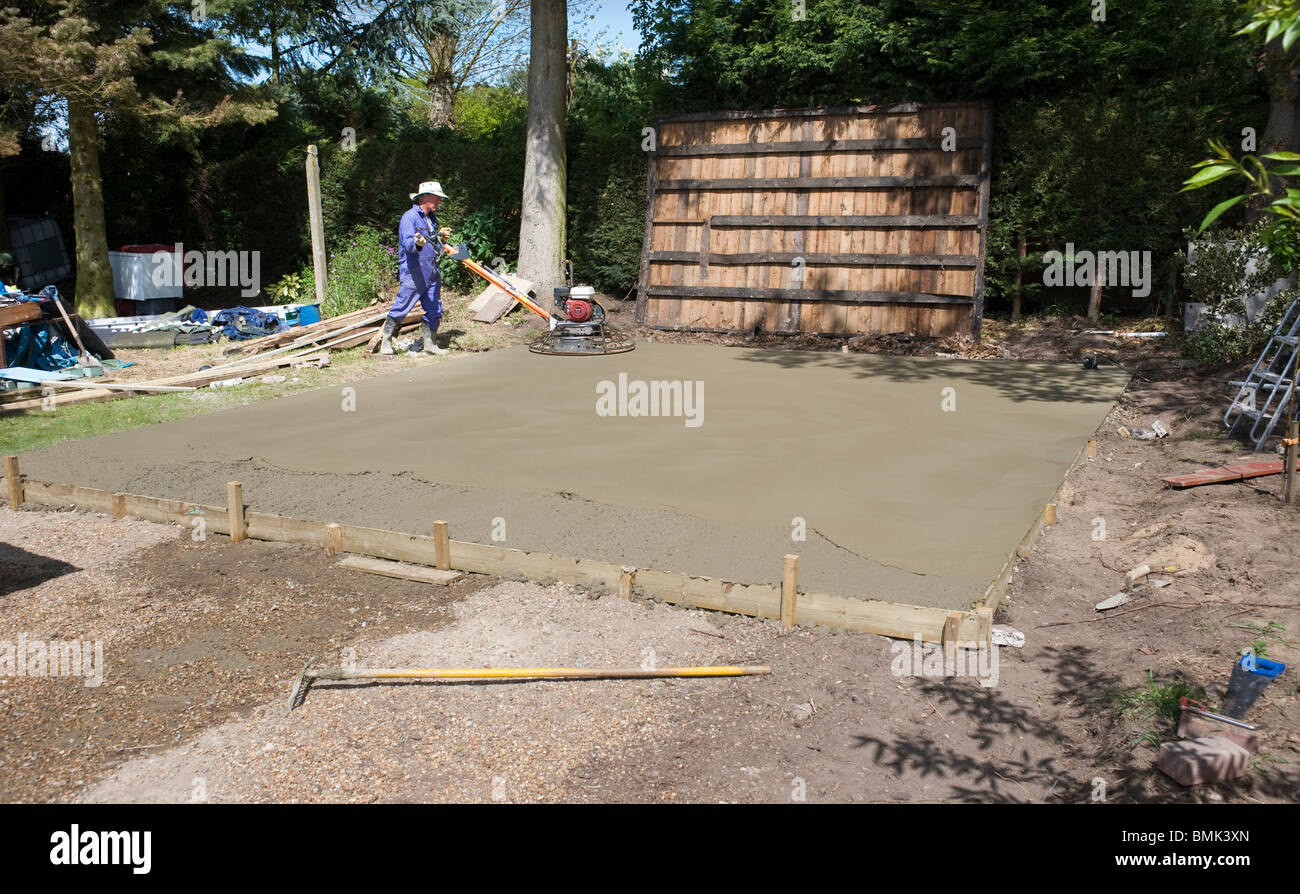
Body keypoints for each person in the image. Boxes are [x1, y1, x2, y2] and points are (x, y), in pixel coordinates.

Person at [383, 180, 453, 355]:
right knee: (402, 307)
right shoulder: (410, 217)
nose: (439, 201)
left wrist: (441, 238)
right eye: (437, 198)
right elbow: (408, 244)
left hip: (431, 270)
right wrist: (418, 243)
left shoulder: (430, 219)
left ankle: (430, 345)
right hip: (414, 272)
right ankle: (385, 343)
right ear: (425, 198)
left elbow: (433, 243)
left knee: (435, 309)